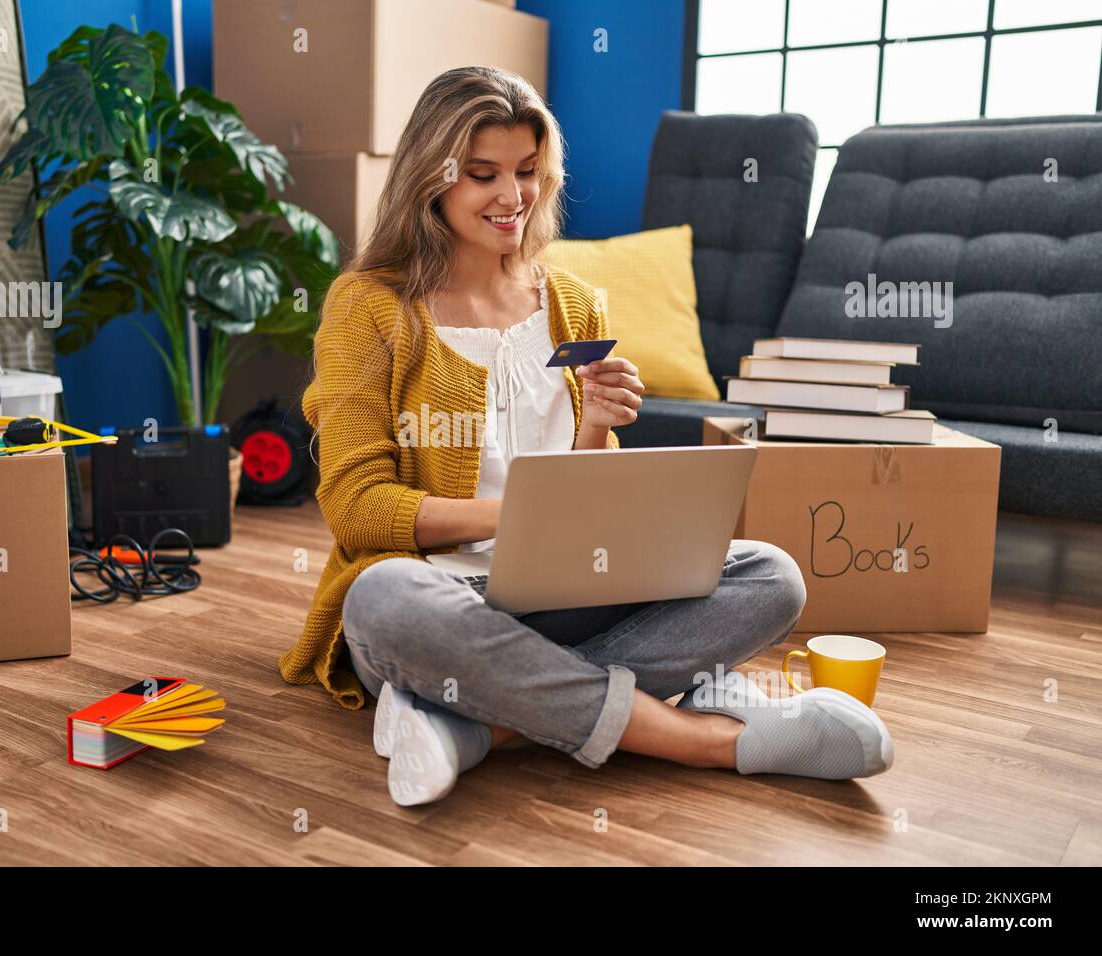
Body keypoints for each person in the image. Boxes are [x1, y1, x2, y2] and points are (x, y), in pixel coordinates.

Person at [279, 66, 894, 806]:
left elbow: (593, 497)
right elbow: (357, 508)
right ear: (429, 177)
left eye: (528, 172)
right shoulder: (369, 308)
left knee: (772, 575)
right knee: (380, 597)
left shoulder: (571, 303)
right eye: (484, 175)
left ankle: (474, 725)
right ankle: (708, 740)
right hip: (439, 598)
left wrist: (596, 429)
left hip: (566, 588)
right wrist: (525, 516)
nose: (513, 198)